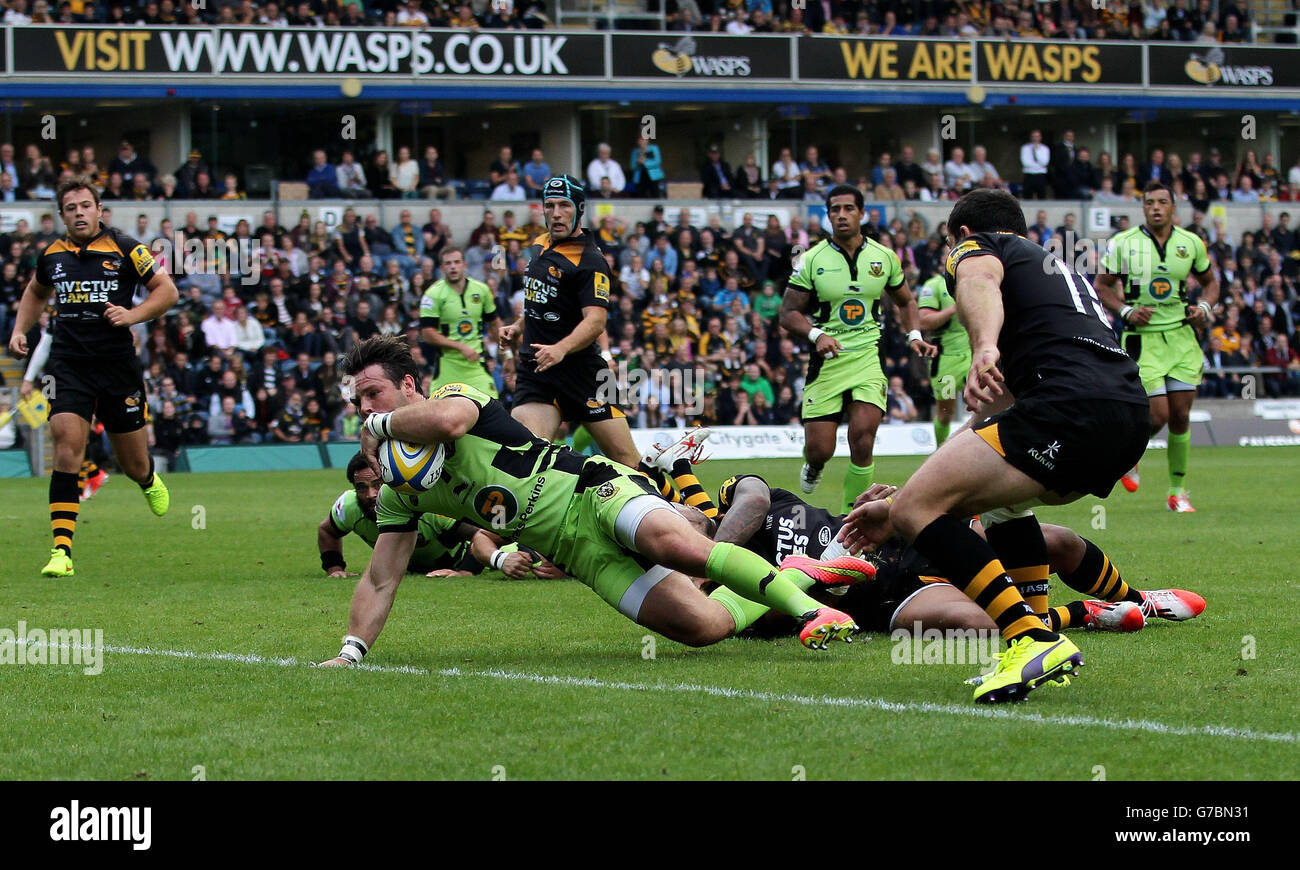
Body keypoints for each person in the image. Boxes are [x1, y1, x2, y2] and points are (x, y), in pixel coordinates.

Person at [316, 336, 861, 666]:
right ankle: (799, 571)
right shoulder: (399, 488)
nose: (364, 407)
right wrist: (349, 652)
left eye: (373, 393)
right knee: (705, 627)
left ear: (408, 385)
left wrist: (380, 423)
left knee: (674, 544)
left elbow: (448, 423)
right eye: (358, 399)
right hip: (576, 553)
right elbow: (382, 577)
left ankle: (812, 612)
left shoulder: (455, 396)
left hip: (591, 489)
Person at [838, 189, 1151, 703]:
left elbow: (979, 279)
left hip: (1068, 408)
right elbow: (990, 422)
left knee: (922, 506)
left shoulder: (979, 247)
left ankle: (1028, 638)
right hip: (1123, 416)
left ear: (963, 235)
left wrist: (983, 344)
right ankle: (1038, 631)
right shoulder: (1054, 274)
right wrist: (902, 505)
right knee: (999, 506)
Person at [708, 475, 1202, 639]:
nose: (676, 526)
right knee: (989, 623)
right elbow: (773, 617)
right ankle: (1084, 614)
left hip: (903, 537)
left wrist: (869, 508)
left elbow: (749, 500)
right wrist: (821, 575)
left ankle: (1140, 598)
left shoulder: (744, 497)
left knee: (1058, 541)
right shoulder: (728, 593)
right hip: (883, 596)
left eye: (675, 514)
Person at [6, 175, 176, 577]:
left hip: (117, 365)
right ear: (62, 215)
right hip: (68, 364)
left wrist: (133, 315)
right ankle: (61, 551)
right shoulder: (51, 255)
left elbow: (167, 291)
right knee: (66, 446)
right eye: (71, 208)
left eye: (85, 205)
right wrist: (19, 330)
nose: (79, 213)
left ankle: (147, 477)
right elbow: (35, 292)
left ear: (99, 210)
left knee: (132, 463)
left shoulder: (126, 248)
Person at [780, 184, 935, 513]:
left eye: (848, 208)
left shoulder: (884, 257)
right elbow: (788, 313)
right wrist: (816, 335)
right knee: (820, 449)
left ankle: (855, 517)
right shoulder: (811, 260)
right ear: (828, 215)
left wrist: (914, 335)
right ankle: (815, 464)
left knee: (863, 437)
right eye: (834, 209)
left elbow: (906, 301)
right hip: (826, 363)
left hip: (868, 359)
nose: (841, 215)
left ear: (862, 213)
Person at [498, 175, 641, 468]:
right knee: (524, 458)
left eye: (563, 205)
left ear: (578, 208)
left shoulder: (591, 260)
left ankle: (683, 506)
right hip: (537, 370)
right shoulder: (538, 246)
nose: (555, 213)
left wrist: (561, 348)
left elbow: (596, 321)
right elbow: (539, 301)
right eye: (549, 206)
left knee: (628, 461)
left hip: (583, 373)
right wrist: (517, 326)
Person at [1095, 181, 1219, 512]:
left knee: (1180, 415)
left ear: (1173, 208)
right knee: (1157, 416)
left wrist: (1203, 309)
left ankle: (1177, 493)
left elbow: (1211, 284)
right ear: (1143, 208)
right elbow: (1102, 286)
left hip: (1181, 337)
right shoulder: (1123, 243)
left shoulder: (1191, 243)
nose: (1156, 208)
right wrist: (1126, 311)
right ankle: (1129, 457)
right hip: (1142, 340)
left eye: (1162, 202)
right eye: (1150, 202)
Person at [318, 453, 493, 578]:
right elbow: (327, 531)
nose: (371, 494)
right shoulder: (349, 506)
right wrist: (334, 568)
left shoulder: (425, 504)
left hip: (480, 559)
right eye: (361, 487)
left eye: (378, 485)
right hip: (414, 571)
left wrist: (464, 572)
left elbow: (481, 533)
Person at [419, 246, 501, 398]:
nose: (453, 267)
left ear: (465, 265)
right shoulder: (433, 294)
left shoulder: (482, 290)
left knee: (494, 412)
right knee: (439, 417)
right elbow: (427, 334)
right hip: (448, 367)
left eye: (457, 262)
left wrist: (507, 352)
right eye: (448, 263)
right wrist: (460, 347)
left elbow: (495, 323)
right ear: (442, 268)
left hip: (476, 366)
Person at [916, 247, 970, 446]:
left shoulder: (974, 282)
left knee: (982, 404)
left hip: (973, 356)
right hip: (946, 360)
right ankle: (940, 450)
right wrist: (955, 308)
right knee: (946, 412)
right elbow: (925, 322)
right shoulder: (934, 286)